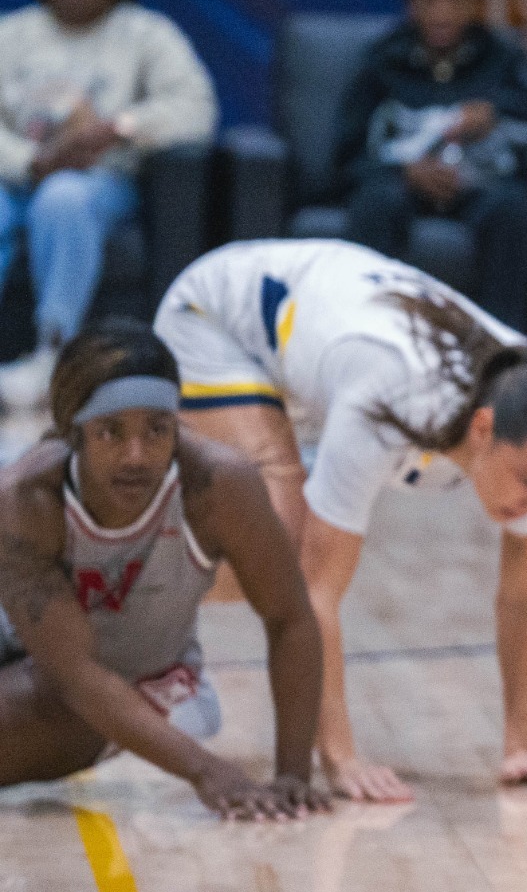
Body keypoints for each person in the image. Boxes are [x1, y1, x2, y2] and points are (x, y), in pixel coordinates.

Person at [155, 239, 527, 803]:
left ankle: (129, 609)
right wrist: (340, 757)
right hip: (214, 319)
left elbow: (521, 594)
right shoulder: (392, 392)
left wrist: (520, 748)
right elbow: (315, 592)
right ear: (481, 429)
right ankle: (89, 590)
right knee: (279, 554)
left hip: (321, 315)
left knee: (277, 556)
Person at [0, 321, 327, 820]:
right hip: (55, 659)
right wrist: (207, 770)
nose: (137, 455)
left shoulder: (219, 487)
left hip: (122, 681)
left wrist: (292, 775)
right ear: (74, 431)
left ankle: (159, 716)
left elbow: (291, 619)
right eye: (112, 432)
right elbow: (75, 671)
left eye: (157, 429)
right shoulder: (26, 500)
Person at [0, 0, 216, 409]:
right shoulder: (12, 34)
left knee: (64, 198)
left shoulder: (147, 33)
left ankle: (52, 352)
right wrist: (31, 161)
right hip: (15, 176)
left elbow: (196, 110)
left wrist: (119, 127)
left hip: (100, 181)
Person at [335, 0, 527, 334]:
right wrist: (405, 173)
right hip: (401, 188)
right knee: (375, 203)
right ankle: (368, 333)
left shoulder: (504, 59)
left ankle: (499, 348)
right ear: (411, 2)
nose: (443, 13)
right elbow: (344, 155)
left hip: (480, 188)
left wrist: (496, 114)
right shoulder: (382, 61)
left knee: (512, 208)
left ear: (475, 3)